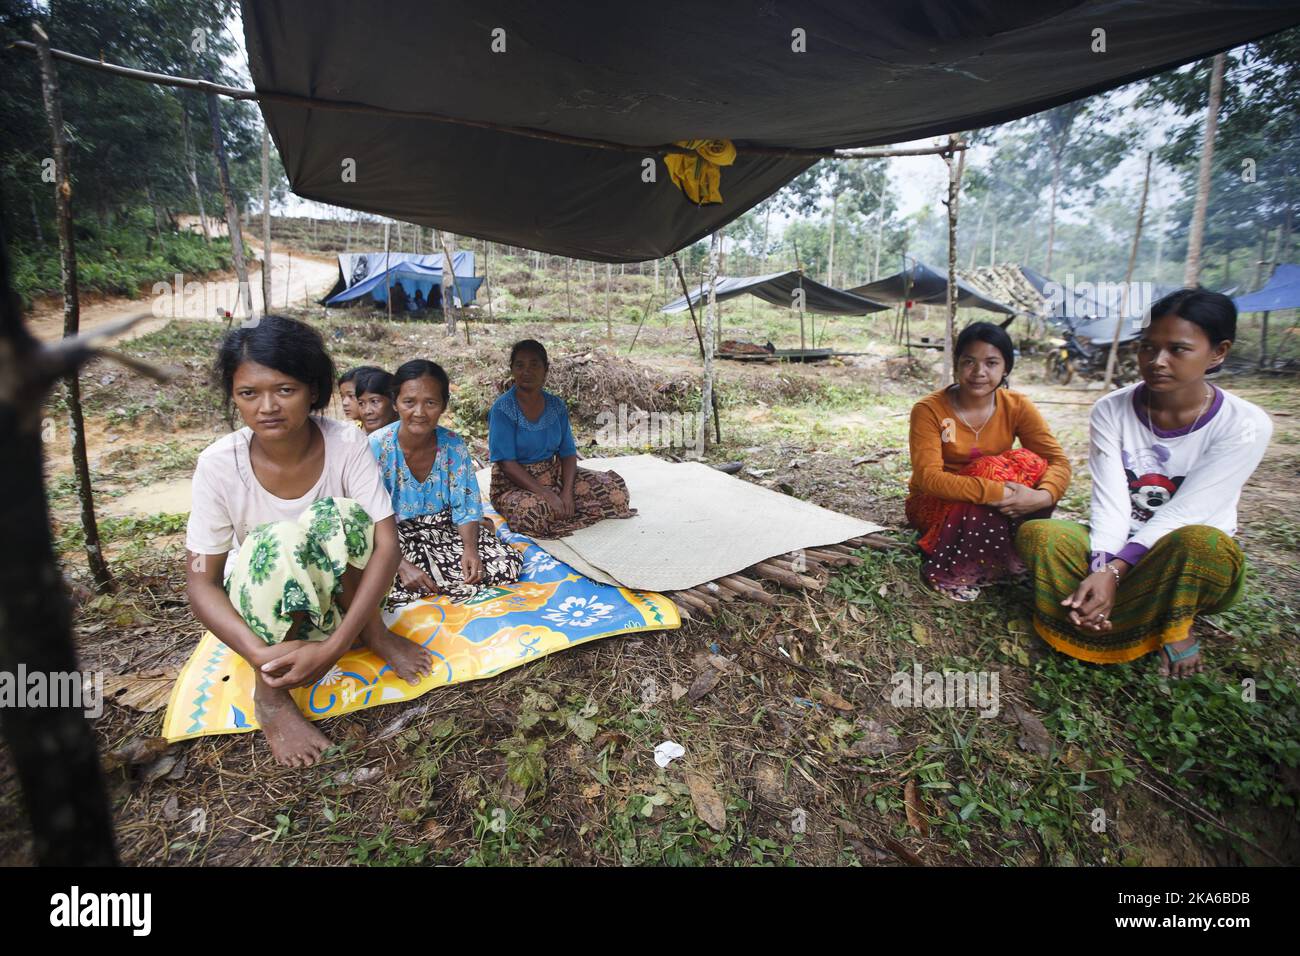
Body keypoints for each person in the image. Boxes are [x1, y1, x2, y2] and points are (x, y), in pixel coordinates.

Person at [185, 316, 434, 768]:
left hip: (342, 602)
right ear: (234, 398)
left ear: (314, 392)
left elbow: (386, 544)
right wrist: (257, 654)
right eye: (248, 393)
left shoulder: (346, 444)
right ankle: (272, 696)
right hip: (268, 613)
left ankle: (371, 632)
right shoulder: (218, 465)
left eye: (285, 390)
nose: (267, 407)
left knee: (339, 516)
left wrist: (336, 645)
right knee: (279, 540)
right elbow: (201, 582)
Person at [1017, 289, 1270, 677]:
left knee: (1203, 543)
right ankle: (1103, 613)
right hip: (1118, 546)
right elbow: (1111, 501)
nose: (1157, 361)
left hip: (1181, 560)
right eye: (1147, 347)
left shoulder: (1245, 424)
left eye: (1178, 349)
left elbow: (1188, 511)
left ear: (1218, 352)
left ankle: (1173, 623)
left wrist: (1113, 572)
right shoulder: (1111, 409)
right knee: (1041, 535)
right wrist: (1102, 564)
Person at [906, 322, 1072, 601]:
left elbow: (1058, 461)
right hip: (935, 503)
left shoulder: (1016, 406)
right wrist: (1000, 493)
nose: (979, 372)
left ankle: (1006, 554)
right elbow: (928, 479)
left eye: (991, 363)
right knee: (990, 468)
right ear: (956, 365)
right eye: (968, 361)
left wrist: (1043, 496)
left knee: (1031, 462)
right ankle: (958, 568)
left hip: (993, 505)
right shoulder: (930, 410)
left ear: (1006, 368)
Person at [369, 360, 522, 606]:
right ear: (395, 402)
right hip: (391, 536)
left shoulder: (453, 444)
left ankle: (436, 579)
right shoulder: (376, 446)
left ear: (443, 406)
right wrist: (401, 565)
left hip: (444, 529)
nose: (419, 412)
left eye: (430, 403)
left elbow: (465, 505)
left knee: (506, 564)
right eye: (409, 402)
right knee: (381, 580)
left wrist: (470, 549)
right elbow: (367, 514)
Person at [488, 339, 636, 537]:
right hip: (514, 484)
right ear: (512, 369)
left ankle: (563, 509)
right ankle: (556, 511)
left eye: (534, 364)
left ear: (546, 369)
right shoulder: (503, 409)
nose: (527, 371)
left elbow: (567, 454)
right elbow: (507, 464)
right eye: (520, 365)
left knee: (615, 493)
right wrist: (546, 494)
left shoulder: (556, 406)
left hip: (554, 475)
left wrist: (566, 493)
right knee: (532, 513)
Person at [354, 367, 399, 435]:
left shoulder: (412, 438)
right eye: (361, 403)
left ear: (394, 402)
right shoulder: (355, 439)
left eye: (374, 401)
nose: (367, 411)